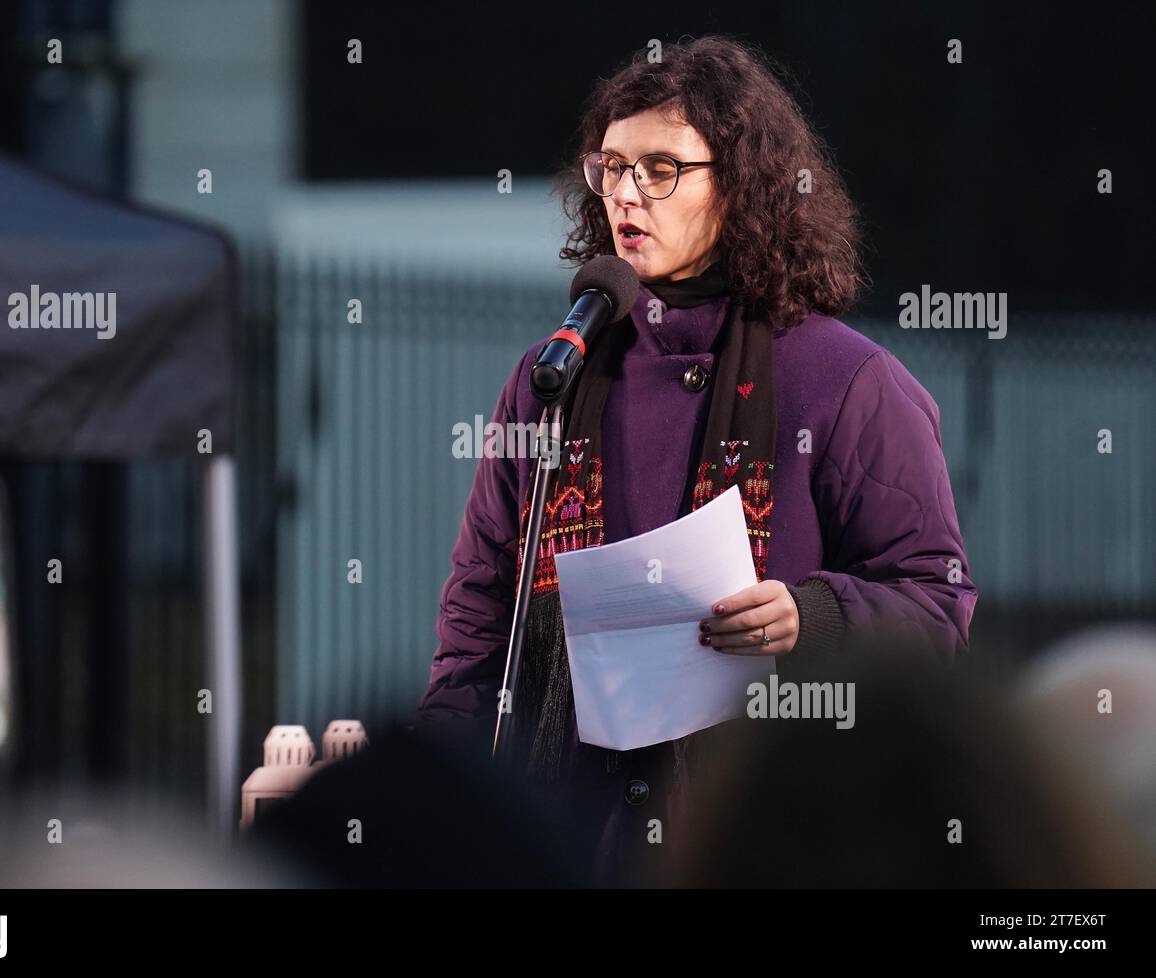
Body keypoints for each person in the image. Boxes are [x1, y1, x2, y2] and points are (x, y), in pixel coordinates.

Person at [416, 35, 978, 885]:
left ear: (742, 186)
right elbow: (479, 615)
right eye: (611, 167)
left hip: (763, 834)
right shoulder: (553, 376)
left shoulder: (844, 380)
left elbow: (937, 602)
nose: (625, 193)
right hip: (570, 834)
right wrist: (436, 795)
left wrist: (813, 616)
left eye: (661, 170)